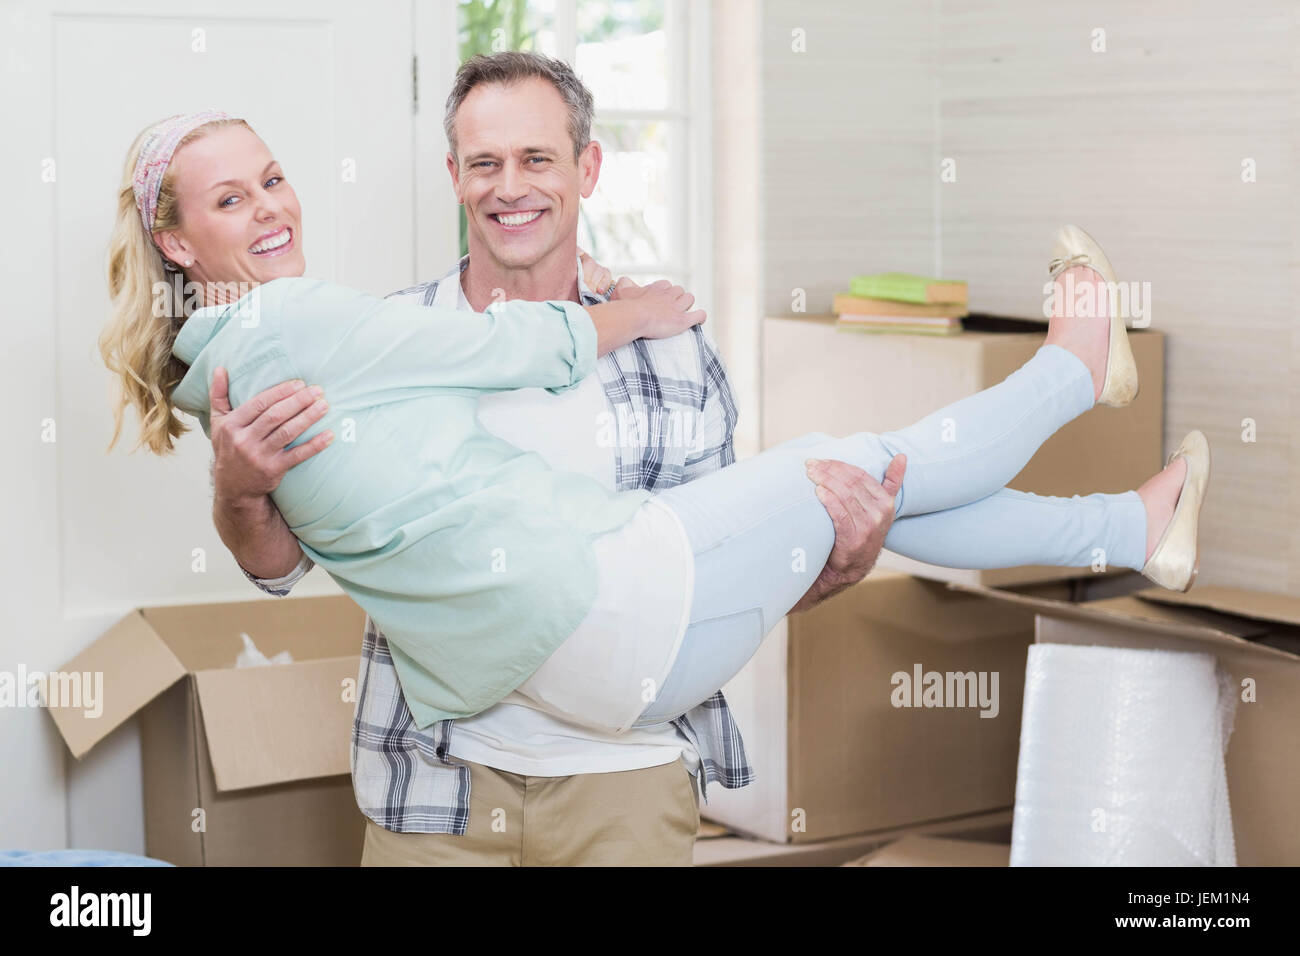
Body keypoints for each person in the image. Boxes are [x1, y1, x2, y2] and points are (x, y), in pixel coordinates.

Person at [102, 105, 1208, 859]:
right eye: (232, 200)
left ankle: (1122, 521)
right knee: (854, 457)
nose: (271, 208)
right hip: (493, 736)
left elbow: (777, 548)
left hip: (627, 701)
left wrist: (833, 548)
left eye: (274, 179)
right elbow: (286, 556)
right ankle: (1072, 369)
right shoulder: (352, 326)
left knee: (866, 480)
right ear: (181, 242)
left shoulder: (228, 367)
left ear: (586, 170)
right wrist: (634, 312)